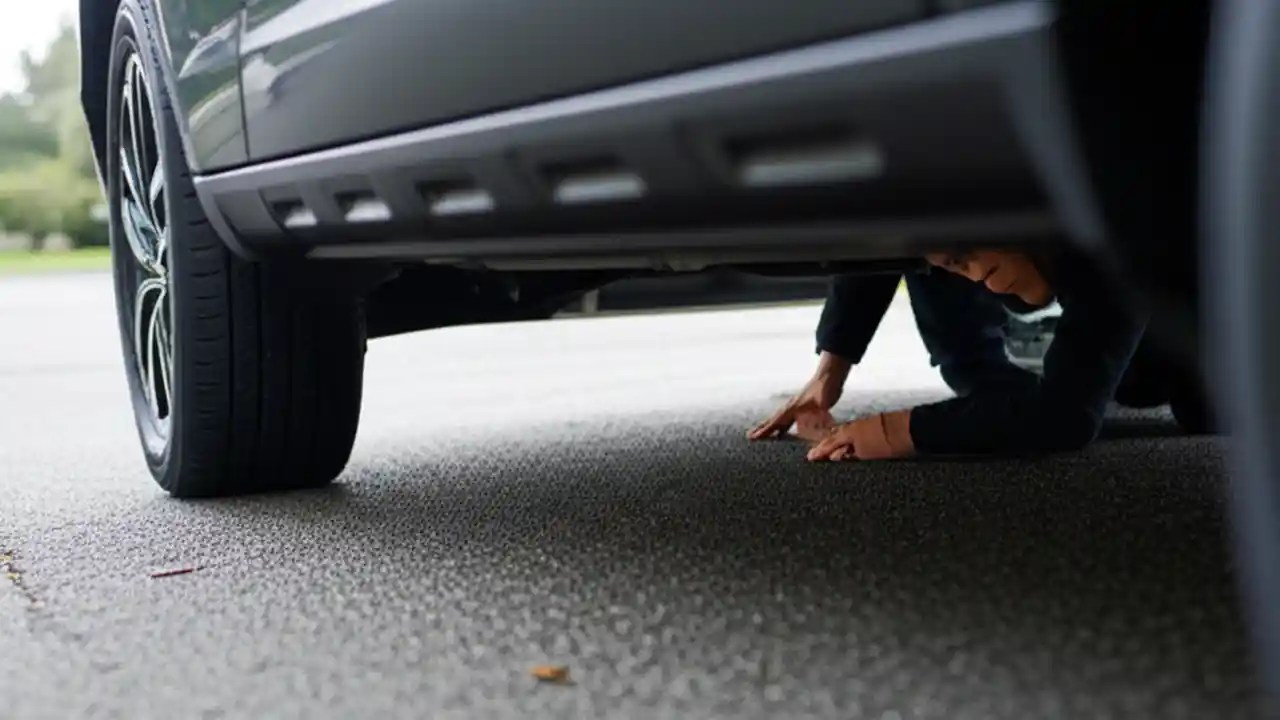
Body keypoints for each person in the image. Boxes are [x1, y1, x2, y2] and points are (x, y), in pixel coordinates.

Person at [749, 249, 1146, 461]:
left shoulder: (1117, 243)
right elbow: (881, 247)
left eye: (962, 254)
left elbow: (1065, 420)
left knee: (1150, 381)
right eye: (951, 265)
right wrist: (828, 373)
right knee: (979, 384)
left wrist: (897, 431)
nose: (970, 276)